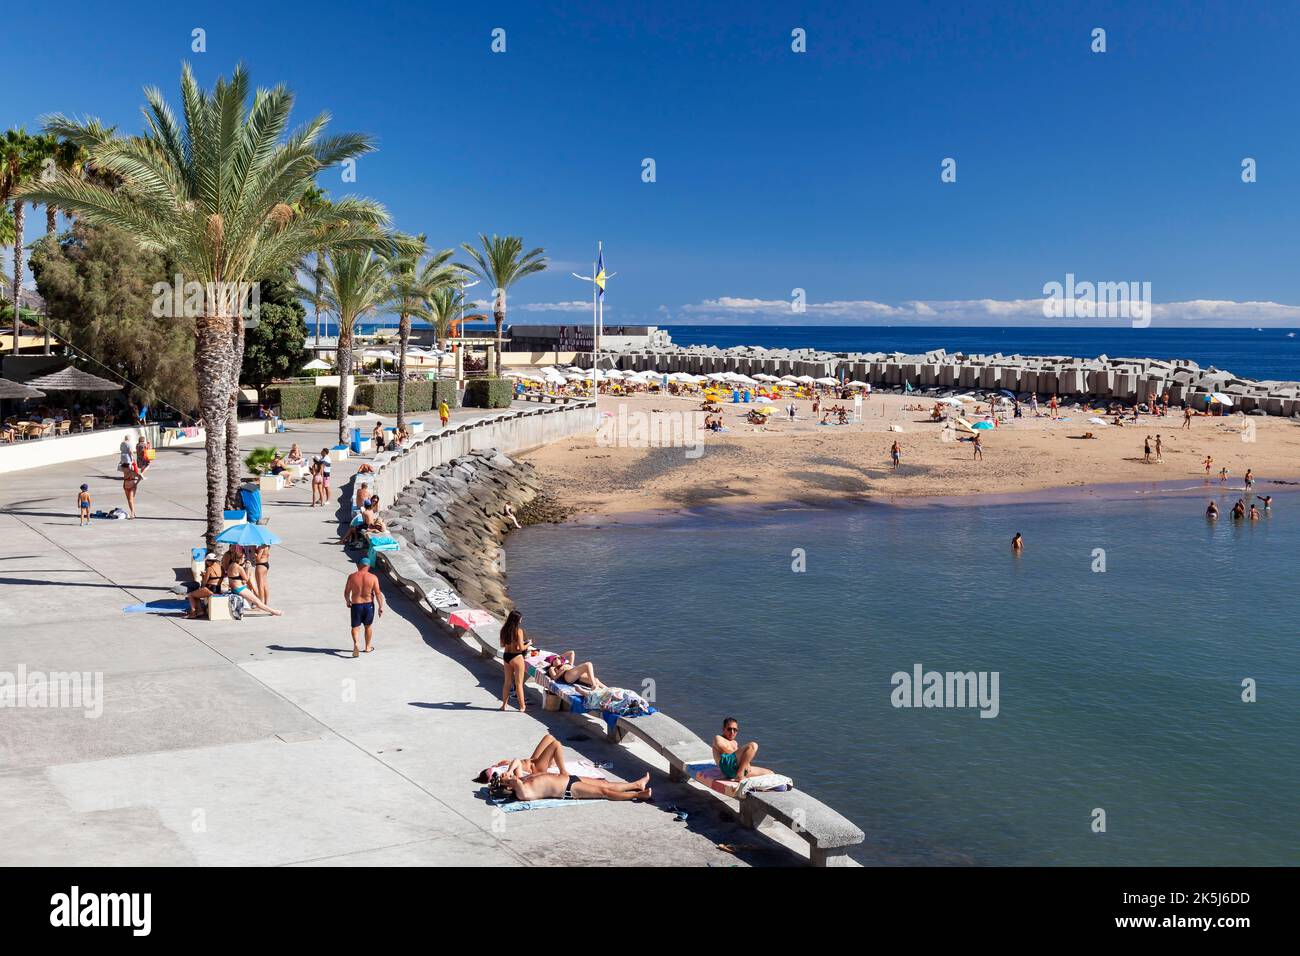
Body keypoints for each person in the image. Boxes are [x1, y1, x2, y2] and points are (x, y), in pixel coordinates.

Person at [490, 767, 651, 803]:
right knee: (604, 791)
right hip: (569, 790)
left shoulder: (521, 782)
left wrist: (507, 774)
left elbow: (517, 764)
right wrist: (505, 781)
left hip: (569, 779)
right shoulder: (521, 792)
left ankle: (636, 784)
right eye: (506, 780)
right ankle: (637, 795)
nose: (508, 776)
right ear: (508, 787)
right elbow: (516, 781)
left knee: (604, 783)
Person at [474, 733, 568, 783]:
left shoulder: (500, 769)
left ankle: (550, 762)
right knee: (556, 745)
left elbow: (507, 762)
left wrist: (502, 764)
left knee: (549, 737)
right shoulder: (506, 774)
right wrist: (509, 769)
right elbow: (516, 763)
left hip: (532, 760)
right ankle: (563, 772)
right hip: (535, 768)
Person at [344, 556, 384, 656]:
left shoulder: (352, 576)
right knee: (368, 626)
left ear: (359, 565)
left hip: (356, 605)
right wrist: (380, 606)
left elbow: (346, 591)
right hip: (368, 605)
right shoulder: (373, 577)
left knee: (355, 627)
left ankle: (356, 643)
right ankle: (367, 647)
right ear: (368, 566)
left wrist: (348, 601)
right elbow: (378, 593)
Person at [226, 549, 283, 616]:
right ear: (240, 558)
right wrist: (247, 569)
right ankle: (273, 611)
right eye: (244, 557)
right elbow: (246, 579)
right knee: (257, 601)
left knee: (254, 601)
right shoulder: (239, 568)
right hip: (240, 589)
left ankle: (270, 610)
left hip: (235, 588)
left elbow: (236, 577)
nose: (245, 559)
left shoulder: (231, 565)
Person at [499, 609, 532, 712]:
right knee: (518, 683)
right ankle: (522, 707)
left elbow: (502, 645)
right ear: (517, 619)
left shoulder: (503, 629)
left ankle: (504, 705)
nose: (521, 619)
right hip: (517, 657)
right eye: (521, 618)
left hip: (506, 656)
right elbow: (521, 648)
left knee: (507, 682)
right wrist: (529, 643)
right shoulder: (519, 631)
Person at [184, 554, 225, 619]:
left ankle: (193, 613)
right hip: (218, 589)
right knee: (196, 594)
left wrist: (203, 576)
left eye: (206, 561)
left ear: (209, 561)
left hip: (210, 589)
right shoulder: (221, 567)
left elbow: (204, 582)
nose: (206, 563)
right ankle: (200, 611)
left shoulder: (209, 568)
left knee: (190, 595)